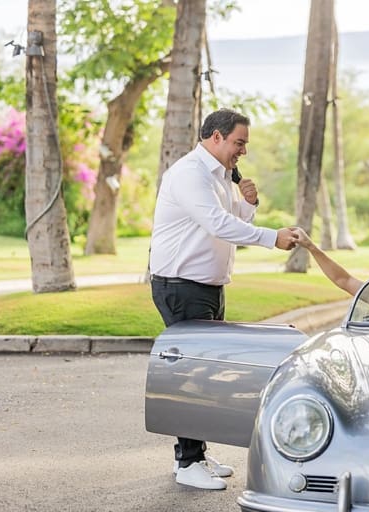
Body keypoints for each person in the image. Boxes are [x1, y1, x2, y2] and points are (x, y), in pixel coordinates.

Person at [149, 108, 299, 491]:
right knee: (192, 372)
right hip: (182, 285)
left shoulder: (218, 176)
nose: (243, 151)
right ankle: (187, 462)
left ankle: (196, 454)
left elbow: (231, 223)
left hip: (206, 286)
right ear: (216, 137)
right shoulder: (189, 174)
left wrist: (248, 204)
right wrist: (272, 237)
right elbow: (216, 223)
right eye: (239, 142)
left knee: (206, 370)